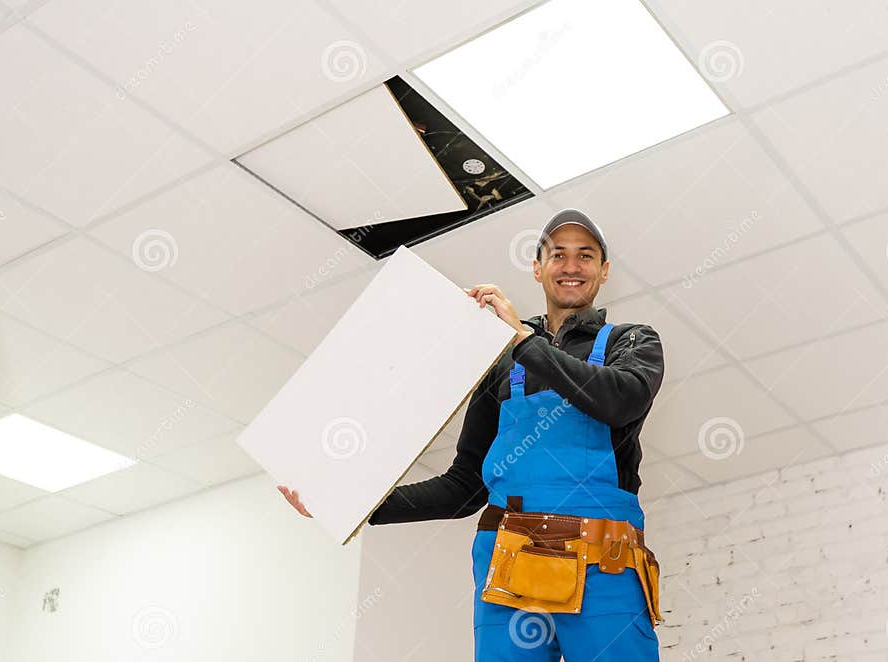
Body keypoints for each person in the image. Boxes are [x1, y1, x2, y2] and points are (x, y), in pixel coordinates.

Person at [279, 208, 665, 660]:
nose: (571, 266)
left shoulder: (631, 341)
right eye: (557, 254)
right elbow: (464, 488)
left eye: (586, 255)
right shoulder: (500, 363)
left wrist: (523, 340)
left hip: (606, 566)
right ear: (538, 269)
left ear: (604, 271)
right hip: (509, 564)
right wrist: (351, 503)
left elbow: (620, 400)